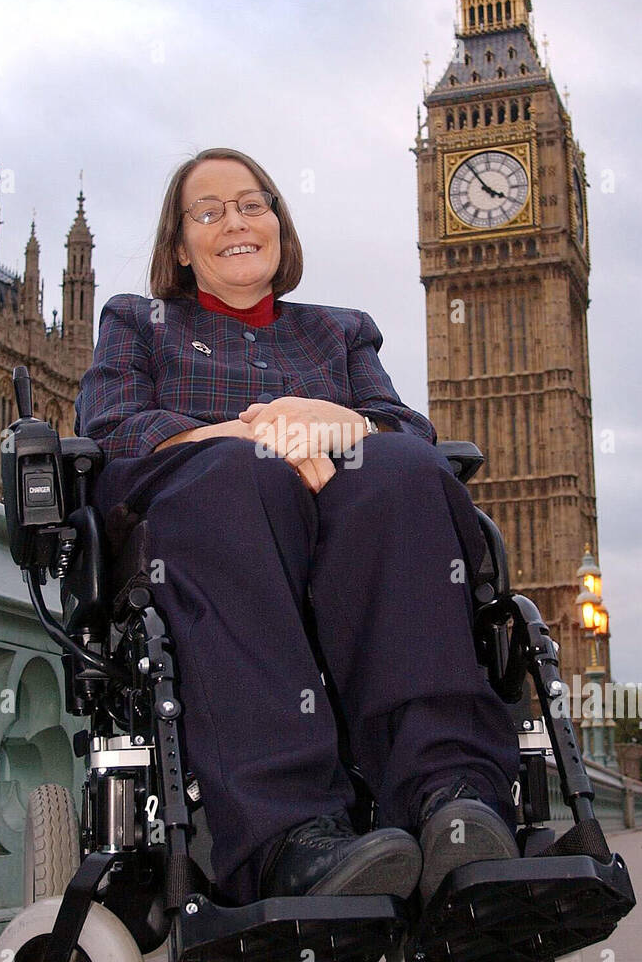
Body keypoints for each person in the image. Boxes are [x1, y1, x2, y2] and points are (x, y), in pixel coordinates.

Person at [75, 148, 520, 908]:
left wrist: (332, 422)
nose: (236, 221)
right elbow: (113, 430)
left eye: (254, 204)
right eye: (208, 211)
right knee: (240, 480)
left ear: (280, 223)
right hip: (206, 526)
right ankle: (292, 834)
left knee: (402, 472)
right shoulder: (136, 322)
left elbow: (404, 429)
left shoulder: (340, 333)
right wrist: (253, 435)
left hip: (342, 538)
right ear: (179, 248)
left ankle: (450, 797)